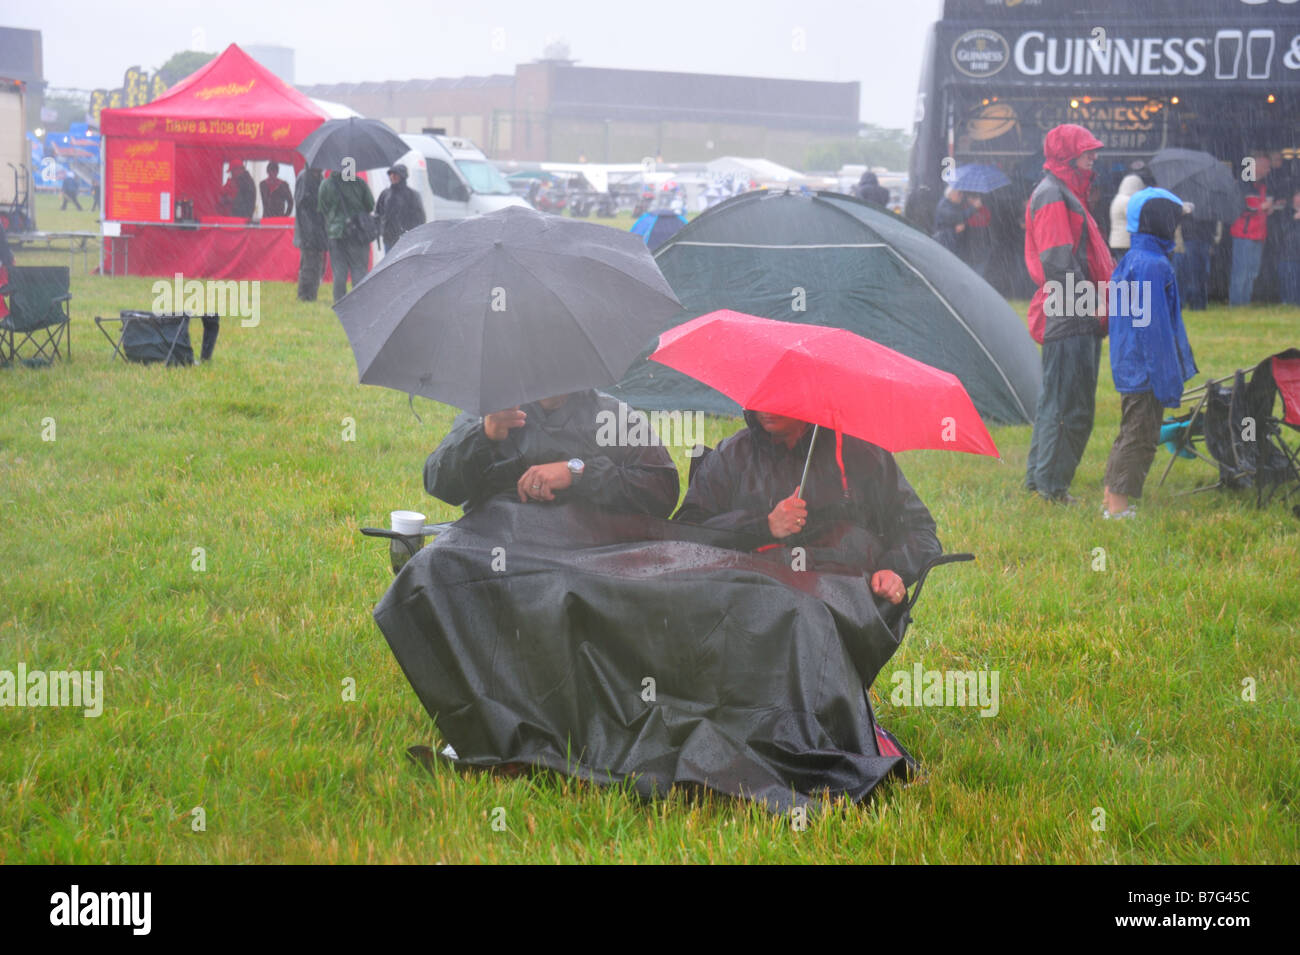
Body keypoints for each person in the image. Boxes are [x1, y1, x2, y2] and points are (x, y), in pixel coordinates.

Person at [674, 410, 942, 603]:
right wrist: (763, 525)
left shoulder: (861, 453)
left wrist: (893, 569)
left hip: (839, 605)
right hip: (745, 600)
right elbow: (688, 530)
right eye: (760, 396)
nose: (765, 407)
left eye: (779, 395)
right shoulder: (731, 455)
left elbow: (919, 530)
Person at [1023, 124, 1115, 505]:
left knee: (1056, 403)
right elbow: (1058, 259)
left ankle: (1040, 480)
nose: (1093, 156)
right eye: (1086, 150)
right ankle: (1052, 488)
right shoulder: (1053, 195)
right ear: (1067, 154)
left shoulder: (1064, 192)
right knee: (1071, 407)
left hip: (1071, 312)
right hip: (1072, 314)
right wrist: (1091, 305)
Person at [424, 390, 680, 519]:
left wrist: (578, 472)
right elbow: (440, 484)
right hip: (495, 551)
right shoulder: (494, 410)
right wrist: (484, 435)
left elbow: (661, 490)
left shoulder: (610, 414)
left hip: (583, 555)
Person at [1102, 188, 1198, 519]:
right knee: (1140, 437)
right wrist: (1166, 379)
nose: (1177, 227)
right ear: (1161, 222)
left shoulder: (1134, 259)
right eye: (1175, 220)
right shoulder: (1153, 265)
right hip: (1144, 369)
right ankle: (1118, 507)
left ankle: (1110, 496)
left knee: (1130, 431)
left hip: (1132, 364)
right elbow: (1154, 330)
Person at [317, 162, 374, 303]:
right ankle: (359, 303)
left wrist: (335, 218)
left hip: (336, 234)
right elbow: (370, 205)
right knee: (359, 269)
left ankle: (340, 303)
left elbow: (322, 208)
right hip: (357, 233)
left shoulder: (326, 184)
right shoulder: (360, 184)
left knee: (339, 271)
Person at [1229, 154, 1274, 306]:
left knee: (1252, 273)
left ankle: (1245, 303)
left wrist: (1269, 208)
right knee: (1240, 272)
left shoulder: (1262, 187)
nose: (1268, 170)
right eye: (1266, 167)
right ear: (1257, 166)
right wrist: (1260, 207)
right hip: (1244, 234)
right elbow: (1238, 208)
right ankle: (1236, 304)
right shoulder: (1242, 184)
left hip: (1258, 235)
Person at [292, 168, 327, 302]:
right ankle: (304, 296)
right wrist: (309, 231)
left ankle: (311, 294)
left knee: (316, 264)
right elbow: (302, 206)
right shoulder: (305, 177)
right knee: (308, 265)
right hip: (309, 231)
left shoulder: (319, 177)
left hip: (318, 229)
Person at [374, 163, 426, 251]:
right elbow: (378, 214)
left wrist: (411, 233)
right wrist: (381, 229)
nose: (392, 177)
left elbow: (420, 218)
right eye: (390, 174)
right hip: (389, 238)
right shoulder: (385, 194)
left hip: (407, 239)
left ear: (402, 176)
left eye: (395, 174)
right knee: (390, 263)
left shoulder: (412, 195)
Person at [1108, 172, 1144, 261]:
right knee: (1127, 266)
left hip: (1117, 240)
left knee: (1122, 265)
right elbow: (1135, 217)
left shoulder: (1118, 198)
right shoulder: (1127, 200)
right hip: (1126, 241)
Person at [1277, 190, 1300, 307]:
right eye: (1298, 196)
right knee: (1289, 283)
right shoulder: (1286, 211)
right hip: (1288, 256)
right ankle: (1287, 303)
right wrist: (1295, 218)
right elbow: (1282, 230)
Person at [931, 186, 969, 255]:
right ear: (951, 195)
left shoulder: (952, 203)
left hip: (951, 241)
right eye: (959, 193)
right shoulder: (944, 207)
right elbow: (957, 216)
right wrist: (974, 207)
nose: (961, 195)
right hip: (945, 243)